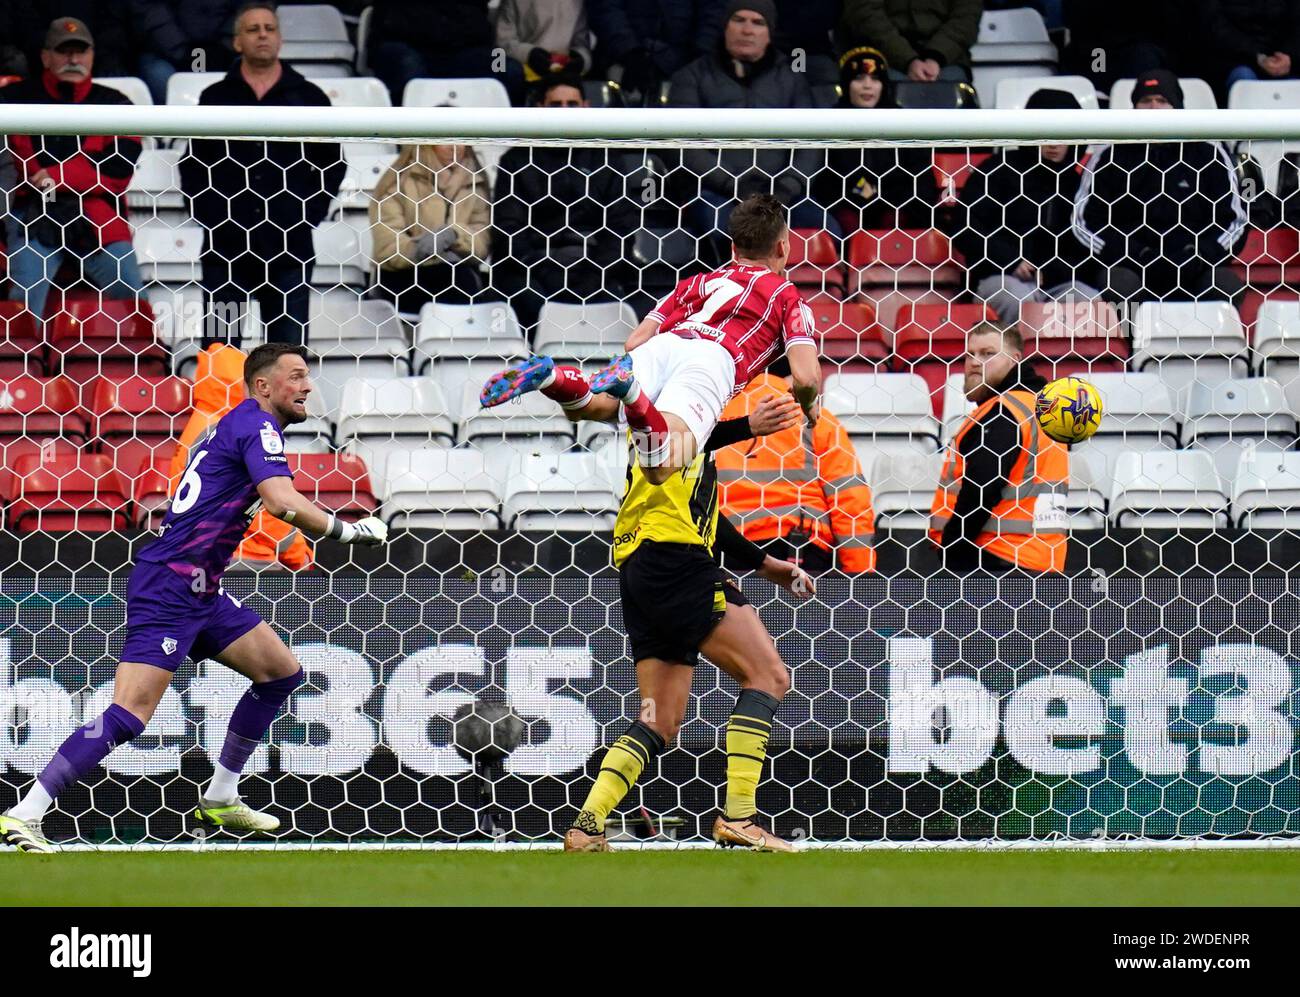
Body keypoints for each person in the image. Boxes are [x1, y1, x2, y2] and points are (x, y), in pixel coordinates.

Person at [0, 344, 388, 853]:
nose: (308, 386)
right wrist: (349, 531)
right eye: (295, 376)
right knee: (129, 714)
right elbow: (281, 501)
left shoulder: (238, 425)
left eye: (307, 377)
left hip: (201, 588)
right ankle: (24, 814)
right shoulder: (256, 427)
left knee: (280, 674)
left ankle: (222, 795)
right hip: (171, 588)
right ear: (263, 385)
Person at [564, 391, 814, 852]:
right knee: (768, 676)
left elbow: (711, 522)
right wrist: (745, 426)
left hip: (640, 572)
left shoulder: (668, 453)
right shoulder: (671, 430)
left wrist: (768, 565)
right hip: (679, 565)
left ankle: (588, 824)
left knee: (659, 720)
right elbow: (688, 441)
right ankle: (740, 817)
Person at [482, 194, 822, 486]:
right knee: (660, 468)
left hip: (665, 345)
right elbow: (806, 376)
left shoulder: (696, 282)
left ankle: (551, 376)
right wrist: (808, 405)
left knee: (597, 407)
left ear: (733, 247)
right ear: (783, 247)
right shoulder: (787, 298)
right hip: (714, 360)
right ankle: (629, 391)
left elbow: (635, 341)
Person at [179, 2, 345, 348]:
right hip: (226, 249)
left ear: (280, 39)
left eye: (269, 28)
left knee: (286, 355)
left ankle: (276, 407)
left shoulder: (310, 98)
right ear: (237, 42)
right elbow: (193, 165)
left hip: (290, 248)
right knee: (221, 350)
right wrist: (213, 219)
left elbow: (332, 164)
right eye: (253, 29)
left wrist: (305, 217)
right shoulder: (216, 98)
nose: (262, 35)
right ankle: (224, 406)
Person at [3, 17, 146, 325]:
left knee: (133, 296)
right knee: (25, 298)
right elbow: (17, 163)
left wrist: (56, 176)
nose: (73, 59)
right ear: (45, 57)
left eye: (80, 51)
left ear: (92, 55)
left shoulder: (118, 103)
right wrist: (83, 168)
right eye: (63, 51)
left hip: (96, 216)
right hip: (33, 214)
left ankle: (143, 365)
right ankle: (22, 367)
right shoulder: (13, 99)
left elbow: (117, 172)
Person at [1071, 70, 1249, 304]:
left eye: (1162, 101)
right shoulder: (1110, 154)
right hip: (1132, 268)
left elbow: (1233, 221)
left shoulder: (1208, 152)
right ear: (1134, 108)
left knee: (1225, 285)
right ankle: (1135, 341)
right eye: (1146, 101)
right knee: (1118, 285)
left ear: (1177, 107)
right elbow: (1084, 223)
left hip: (1195, 268)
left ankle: (1207, 341)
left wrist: (1196, 255)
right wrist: (1134, 254)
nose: (1154, 108)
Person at [667, 1, 827, 245]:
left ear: (770, 33)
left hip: (783, 197)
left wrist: (787, 188)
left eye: (758, 22)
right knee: (719, 229)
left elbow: (811, 144)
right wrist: (732, 184)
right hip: (717, 194)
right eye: (739, 20)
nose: (747, 30)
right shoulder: (692, 76)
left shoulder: (793, 79)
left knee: (828, 230)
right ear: (725, 26)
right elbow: (684, 145)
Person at [490, 72, 638, 331]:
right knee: (527, 302)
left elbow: (622, 229)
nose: (564, 111)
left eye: (571, 105)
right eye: (556, 105)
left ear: (585, 107)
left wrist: (593, 275)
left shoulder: (607, 159)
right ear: (540, 108)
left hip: (594, 270)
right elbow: (508, 231)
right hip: (532, 273)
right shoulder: (516, 161)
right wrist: (545, 271)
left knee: (618, 309)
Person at [928, 323, 1069, 574]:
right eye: (969, 354)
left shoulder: (1005, 411)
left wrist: (951, 548)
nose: (974, 362)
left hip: (995, 561)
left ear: (1015, 360)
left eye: (987, 353)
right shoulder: (1039, 408)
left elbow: (982, 488)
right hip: (1040, 560)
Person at [954, 88, 1101, 325]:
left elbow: (1086, 246)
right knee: (1020, 302)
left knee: (1089, 301)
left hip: (1057, 283)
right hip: (999, 278)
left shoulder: (1077, 183)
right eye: (1045, 133)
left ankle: (1072, 363)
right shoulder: (997, 169)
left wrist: (1052, 271)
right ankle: (1021, 362)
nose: (1054, 143)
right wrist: (1010, 260)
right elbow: (965, 227)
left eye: (1062, 134)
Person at [716, 363, 877, 574]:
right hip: (797, 549)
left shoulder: (710, 416)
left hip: (724, 549)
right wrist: (862, 576)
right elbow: (850, 498)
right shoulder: (814, 417)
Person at [169, 342, 314, 572]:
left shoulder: (198, 427)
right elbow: (266, 510)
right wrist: (298, 553)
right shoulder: (245, 429)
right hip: (245, 562)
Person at [814, 45, 939, 233]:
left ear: (884, 85)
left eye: (875, 79)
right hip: (845, 210)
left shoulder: (905, 123)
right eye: (858, 78)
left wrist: (893, 207)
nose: (867, 85)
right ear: (846, 84)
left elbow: (920, 179)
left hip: (899, 209)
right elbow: (824, 183)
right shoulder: (829, 122)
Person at [370, 143, 490, 315]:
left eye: (461, 140)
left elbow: (483, 242)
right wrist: (423, 248)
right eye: (445, 141)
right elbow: (387, 247)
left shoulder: (476, 182)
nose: (454, 148)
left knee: (461, 280)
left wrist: (456, 235)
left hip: (459, 276)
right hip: (404, 275)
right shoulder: (398, 180)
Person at [589, 0, 727, 103]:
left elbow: (713, 13)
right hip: (620, 65)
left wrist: (696, 57)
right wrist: (629, 51)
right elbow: (605, 10)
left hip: (688, 63)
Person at [367, 0, 501, 106]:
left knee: (504, 67)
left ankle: (498, 135)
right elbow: (392, 23)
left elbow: (478, 26)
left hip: (459, 49)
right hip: (405, 46)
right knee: (406, 64)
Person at [839, 0, 982, 83]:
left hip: (946, 58)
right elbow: (865, 15)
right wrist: (908, 60)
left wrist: (935, 57)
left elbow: (967, 18)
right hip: (882, 56)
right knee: (878, 86)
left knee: (952, 86)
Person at [130, 0, 240, 104]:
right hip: (166, 52)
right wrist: (179, 49)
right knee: (158, 73)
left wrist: (225, 44)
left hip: (228, 49)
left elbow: (246, 9)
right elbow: (149, 8)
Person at [495, 0, 592, 105]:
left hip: (569, 72)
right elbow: (500, 46)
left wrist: (581, 59)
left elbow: (582, 44)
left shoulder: (578, 3)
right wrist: (529, 54)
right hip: (526, 71)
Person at [1200, 0, 1300, 96]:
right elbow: (1216, 28)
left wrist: (1288, 55)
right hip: (1236, 60)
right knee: (1244, 79)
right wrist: (1257, 56)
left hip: (1283, 60)